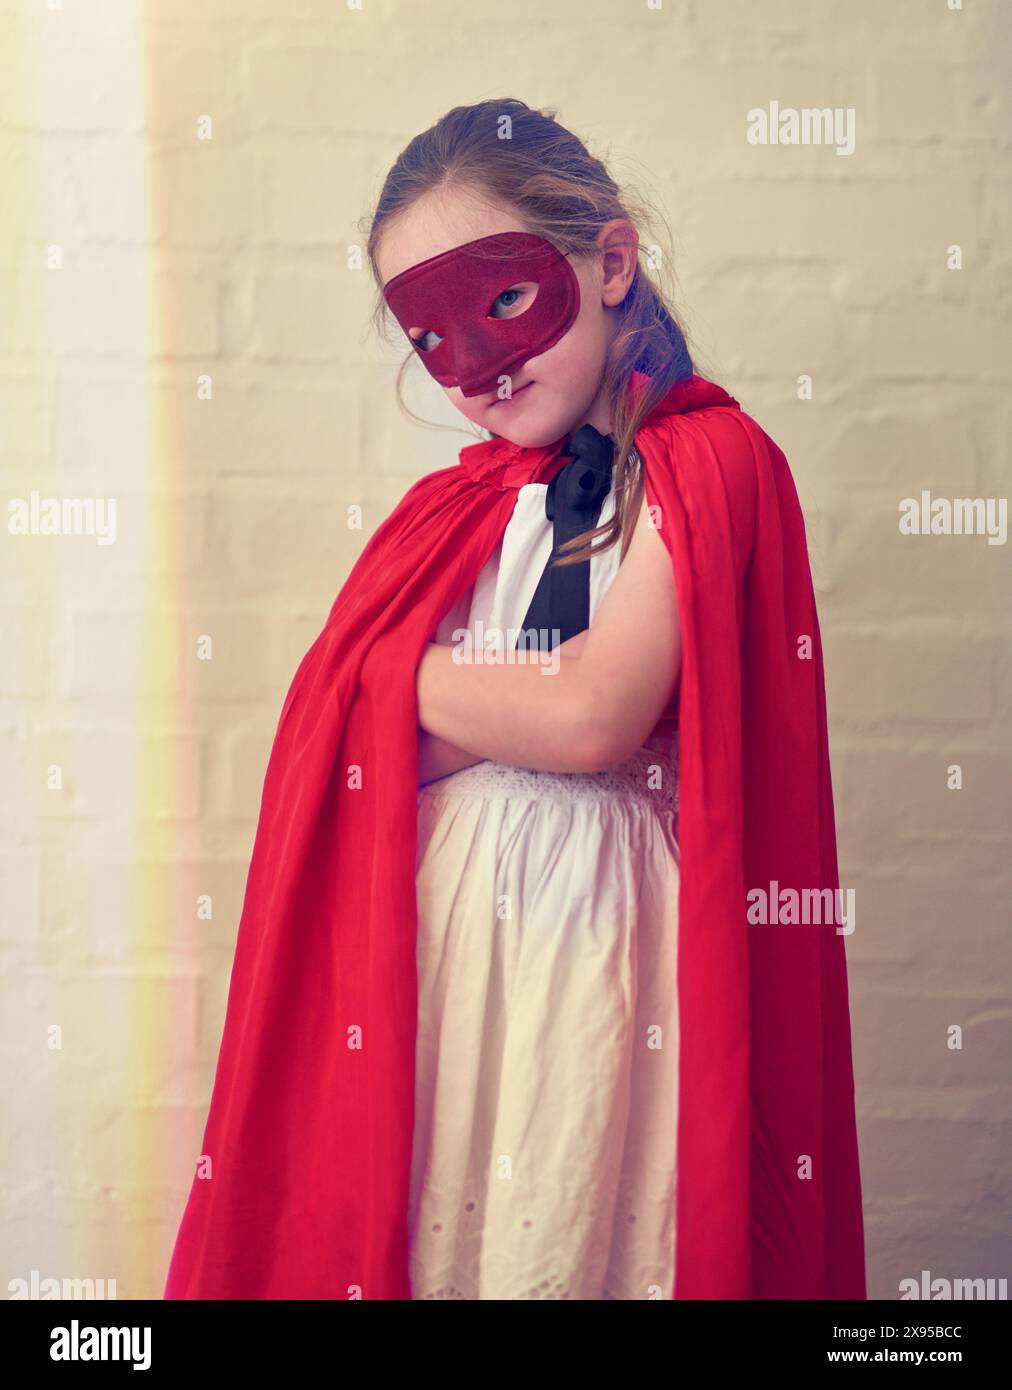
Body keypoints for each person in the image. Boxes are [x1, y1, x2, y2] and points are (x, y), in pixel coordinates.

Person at [163, 98, 865, 1302]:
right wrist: (429, 706)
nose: (477, 363)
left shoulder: (708, 463)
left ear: (609, 261)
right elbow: (366, 761)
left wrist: (372, 670)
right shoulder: (455, 511)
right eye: (432, 337)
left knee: (572, 1228)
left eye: (502, 300)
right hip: (441, 952)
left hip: (605, 951)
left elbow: (590, 715)